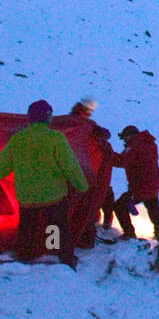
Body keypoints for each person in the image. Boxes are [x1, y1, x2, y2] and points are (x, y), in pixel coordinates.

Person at [0, 100, 89, 268]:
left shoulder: (18, 139)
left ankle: (25, 255)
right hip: (53, 196)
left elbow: (2, 165)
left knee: (27, 227)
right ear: (47, 116)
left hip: (27, 197)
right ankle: (56, 253)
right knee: (55, 226)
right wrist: (82, 185)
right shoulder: (55, 138)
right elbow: (70, 165)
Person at [53, 97, 112, 249]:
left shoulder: (61, 125)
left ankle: (51, 246)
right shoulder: (82, 126)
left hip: (54, 180)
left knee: (53, 216)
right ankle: (65, 246)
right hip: (75, 178)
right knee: (78, 211)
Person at [109, 124, 159, 242]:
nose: (123, 140)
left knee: (119, 206)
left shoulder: (134, 146)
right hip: (153, 183)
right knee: (153, 206)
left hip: (141, 185)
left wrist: (107, 154)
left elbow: (121, 161)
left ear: (129, 136)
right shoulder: (149, 144)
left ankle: (129, 233)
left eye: (124, 137)